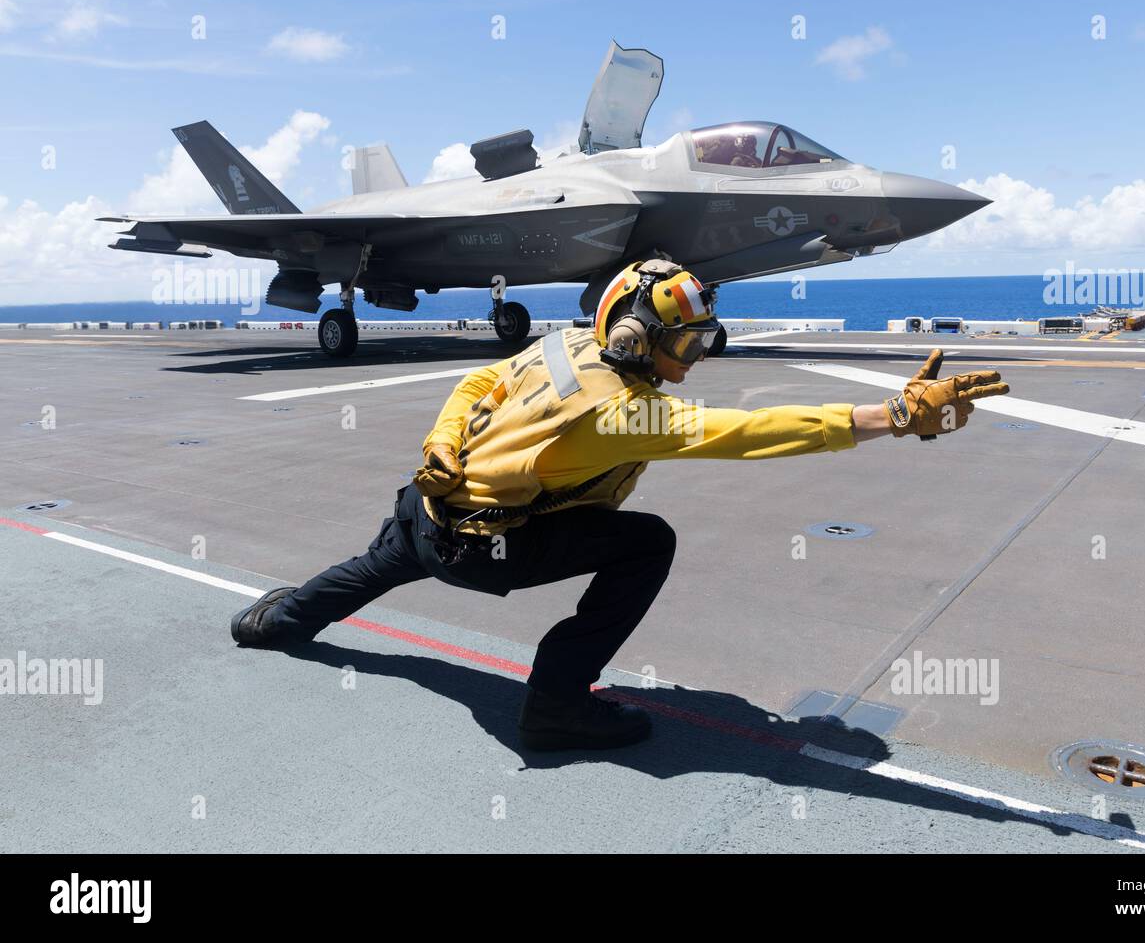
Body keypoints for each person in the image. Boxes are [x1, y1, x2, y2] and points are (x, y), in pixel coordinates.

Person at [230, 259, 1009, 751]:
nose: (694, 360)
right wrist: (893, 416)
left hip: (428, 509)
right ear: (639, 336)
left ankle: (276, 623)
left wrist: (440, 439)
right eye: (687, 345)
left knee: (376, 565)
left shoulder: (565, 345)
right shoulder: (623, 413)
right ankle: (556, 704)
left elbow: (477, 383)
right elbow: (750, 434)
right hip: (487, 547)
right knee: (647, 542)